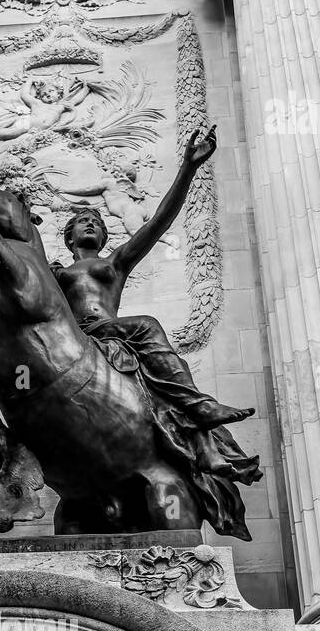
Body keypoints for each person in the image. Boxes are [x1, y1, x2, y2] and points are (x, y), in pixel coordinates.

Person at [51, 126, 261, 515]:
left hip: (106, 332)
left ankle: (198, 422)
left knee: (146, 328)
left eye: (97, 221)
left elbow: (158, 223)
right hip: (67, 340)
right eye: (82, 221)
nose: (91, 224)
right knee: (144, 325)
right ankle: (198, 408)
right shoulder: (55, 272)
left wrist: (187, 168)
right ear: (68, 237)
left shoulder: (113, 264)